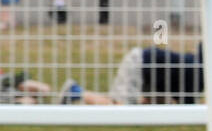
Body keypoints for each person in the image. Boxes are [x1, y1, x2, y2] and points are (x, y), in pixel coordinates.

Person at [62, 44, 205, 105]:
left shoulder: (195, 68)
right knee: (119, 108)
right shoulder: (197, 78)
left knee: (154, 105)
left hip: (150, 72)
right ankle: (76, 91)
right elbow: (189, 106)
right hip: (139, 64)